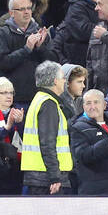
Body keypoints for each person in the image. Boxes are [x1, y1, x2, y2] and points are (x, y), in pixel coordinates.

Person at [22, 60, 74, 195]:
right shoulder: (48, 104)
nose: (65, 82)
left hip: (40, 175)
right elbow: (47, 143)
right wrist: (55, 177)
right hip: (47, 178)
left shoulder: (39, 99)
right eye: (63, 78)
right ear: (55, 81)